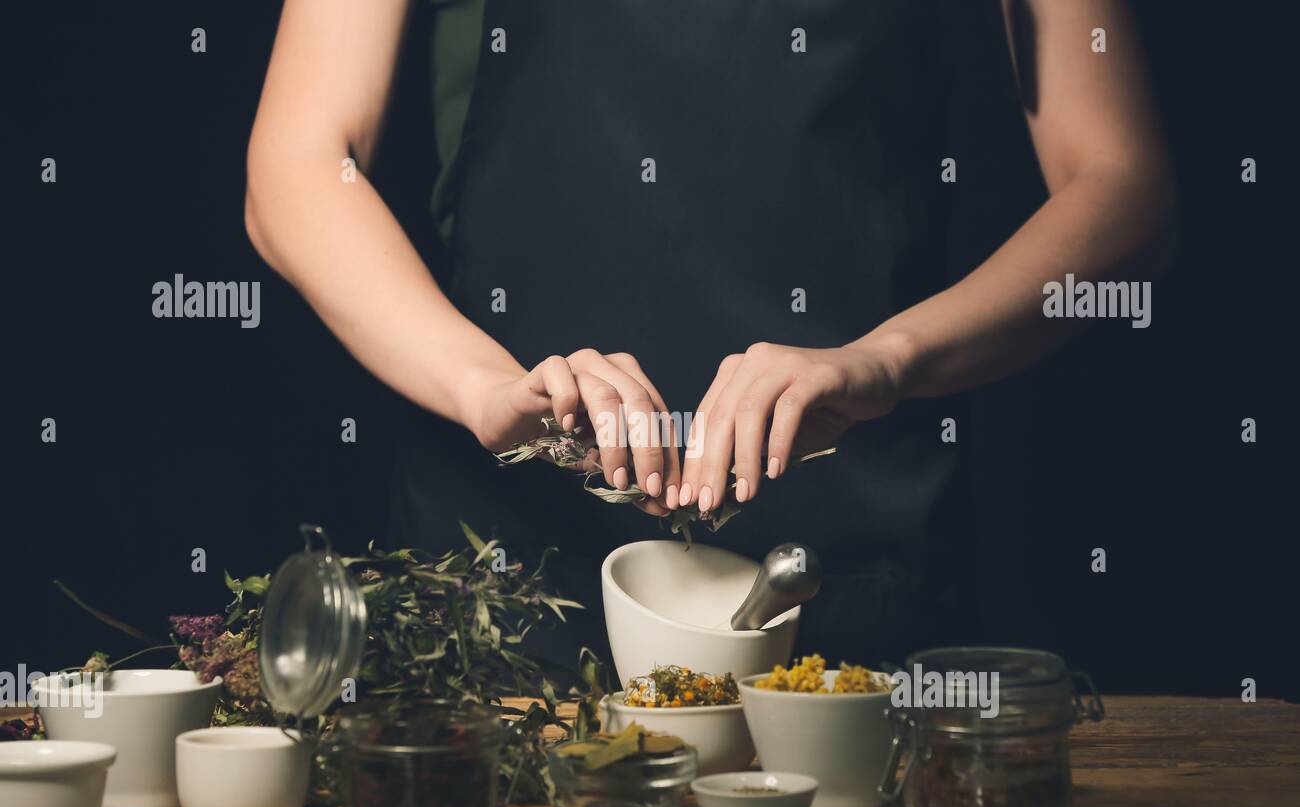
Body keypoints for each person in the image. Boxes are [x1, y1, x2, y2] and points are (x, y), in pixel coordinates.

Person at [244, 0, 1173, 669]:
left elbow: (1123, 187)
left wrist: (887, 361)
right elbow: (295, 163)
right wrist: (483, 386)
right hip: (509, 563)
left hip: (849, 557)